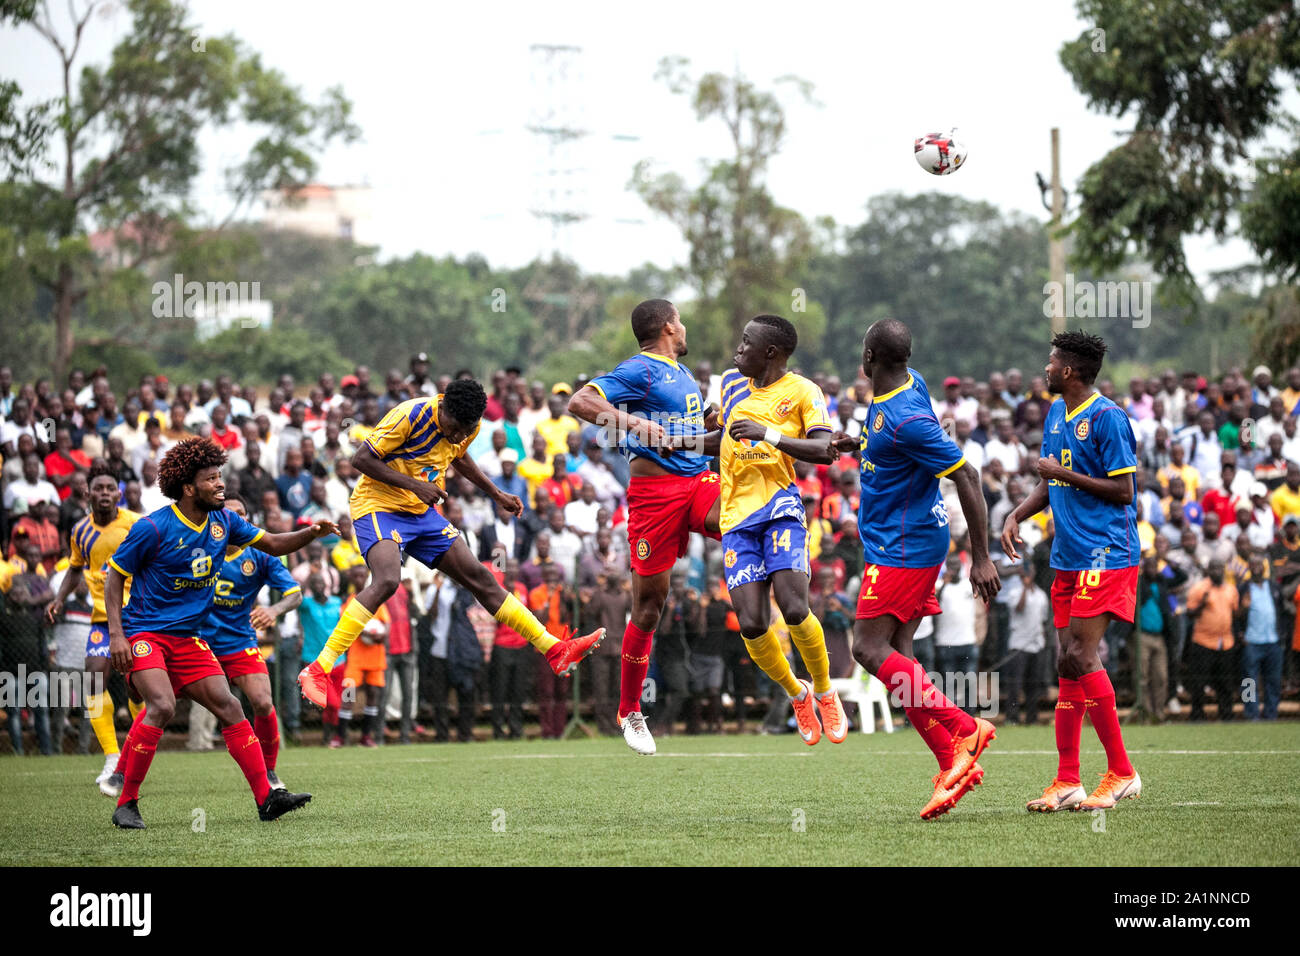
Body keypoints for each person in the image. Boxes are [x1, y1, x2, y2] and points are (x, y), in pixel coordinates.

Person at [298, 379, 604, 710]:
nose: (459, 436)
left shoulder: (467, 423)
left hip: (420, 510)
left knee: (482, 577)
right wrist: (414, 485)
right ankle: (318, 669)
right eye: (455, 428)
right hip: (379, 506)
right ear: (443, 407)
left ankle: (554, 650)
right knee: (387, 580)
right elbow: (361, 459)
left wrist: (495, 493)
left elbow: (459, 456)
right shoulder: (409, 415)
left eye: (466, 431)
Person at [102, 437, 325, 829]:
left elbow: (272, 544)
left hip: (189, 637)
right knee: (163, 706)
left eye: (220, 476)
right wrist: (117, 636)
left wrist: (311, 532)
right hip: (146, 634)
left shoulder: (225, 521)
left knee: (232, 707)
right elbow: (114, 577)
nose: (220, 484)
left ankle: (267, 798)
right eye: (211, 479)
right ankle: (127, 802)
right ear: (188, 488)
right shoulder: (152, 527)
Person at [852, 319, 1001, 820]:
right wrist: (863, 450)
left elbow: (967, 474)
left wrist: (981, 557)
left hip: (904, 546)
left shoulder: (904, 417)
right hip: (906, 538)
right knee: (900, 656)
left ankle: (964, 726)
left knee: (867, 648)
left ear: (870, 356)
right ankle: (950, 762)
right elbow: (902, 455)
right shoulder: (909, 383)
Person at [567, 299, 723, 755]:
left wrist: (706, 423)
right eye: (682, 319)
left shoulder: (682, 375)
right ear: (670, 326)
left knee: (739, 518)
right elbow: (581, 401)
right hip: (654, 498)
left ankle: (778, 618)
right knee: (650, 608)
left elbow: (679, 433)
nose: (685, 326)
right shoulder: (643, 368)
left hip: (695, 481)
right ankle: (630, 710)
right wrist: (631, 422)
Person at [1003, 330, 1142, 813]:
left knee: (1083, 655)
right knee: (1066, 661)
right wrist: (1017, 514)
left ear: (1070, 370)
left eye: (1052, 361)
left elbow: (1124, 491)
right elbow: (1048, 483)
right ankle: (1067, 780)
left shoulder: (1108, 418)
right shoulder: (1057, 412)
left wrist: (1062, 476)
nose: (1045, 367)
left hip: (1106, 553)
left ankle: (1123, 772)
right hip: (1067, 554)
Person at [718, 314, 850, 746]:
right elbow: (721, 441)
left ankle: (826, 691)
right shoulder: (731, 387)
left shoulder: (802, 391)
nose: (738, 349)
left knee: (793, 607)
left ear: (770, 352)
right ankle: (798, 692)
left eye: (746, 342)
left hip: (779, 508)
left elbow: (824, 450)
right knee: (753, 624)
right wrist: (670, 438)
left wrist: (768, 434)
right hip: (736, 520)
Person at [44, 461, 141, 794]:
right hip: (102, 618)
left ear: (119, 494)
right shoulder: (80, 531)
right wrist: (58, 599)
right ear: (88, 492)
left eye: (110, 488)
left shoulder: (136, 524)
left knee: (136, 688)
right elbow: (74, 569)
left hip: (138, 615)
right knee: (94, 675)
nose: (104, 493)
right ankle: (113, 758)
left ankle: (136, 749)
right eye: (98, 488)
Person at [196, 497, 302, 788]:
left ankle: (270, 773)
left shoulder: (261, 554)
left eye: (241, 514)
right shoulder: (200, 546)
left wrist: (273, 610)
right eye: (230, 513)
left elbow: (295, 594)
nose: (236, 518)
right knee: (161, 703)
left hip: (239, 639)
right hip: (198, 640)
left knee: (263, 703)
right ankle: (125, 774)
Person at [1184, 559, 1239, 720]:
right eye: (1213, 569)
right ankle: (1197, 714)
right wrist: (1202, 603)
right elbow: (1189, 614)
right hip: (1203, 642)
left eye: (1219, 568)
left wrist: (1244, 608)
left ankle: (1227, 713)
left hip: (1226, 642)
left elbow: (1235, 614)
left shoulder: (1231, 589)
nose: (1217, 572)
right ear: (1208, 571)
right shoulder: (1199, 589)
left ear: (1223, 570)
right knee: (1199, 682)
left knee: (1225, 682)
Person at [1239, 553, 1282, 721]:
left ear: (1264, 567)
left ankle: (1271, 713)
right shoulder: (1243, 588)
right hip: (1251, 642)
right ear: (1248, 567)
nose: (1256, 566)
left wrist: (1282, 634)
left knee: (1274, 681)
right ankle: (1251, 713)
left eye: (1259, 564)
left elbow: (1281, 611)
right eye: (1252, 564)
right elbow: (1236, 614)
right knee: (1248, 682)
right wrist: (1240, 634)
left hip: (1273, 641)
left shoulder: (1273, 587)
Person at [1003, 568, 1048, 725]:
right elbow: (1019, 608)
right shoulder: (1015, 592)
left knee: (1034, 685)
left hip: (1036, 646)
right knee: (1015, 685)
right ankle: (1012, 717)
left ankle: (1032, 718)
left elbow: (1043, 620)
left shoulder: (1041, 595)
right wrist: (1025, 589)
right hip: (1018, 645)